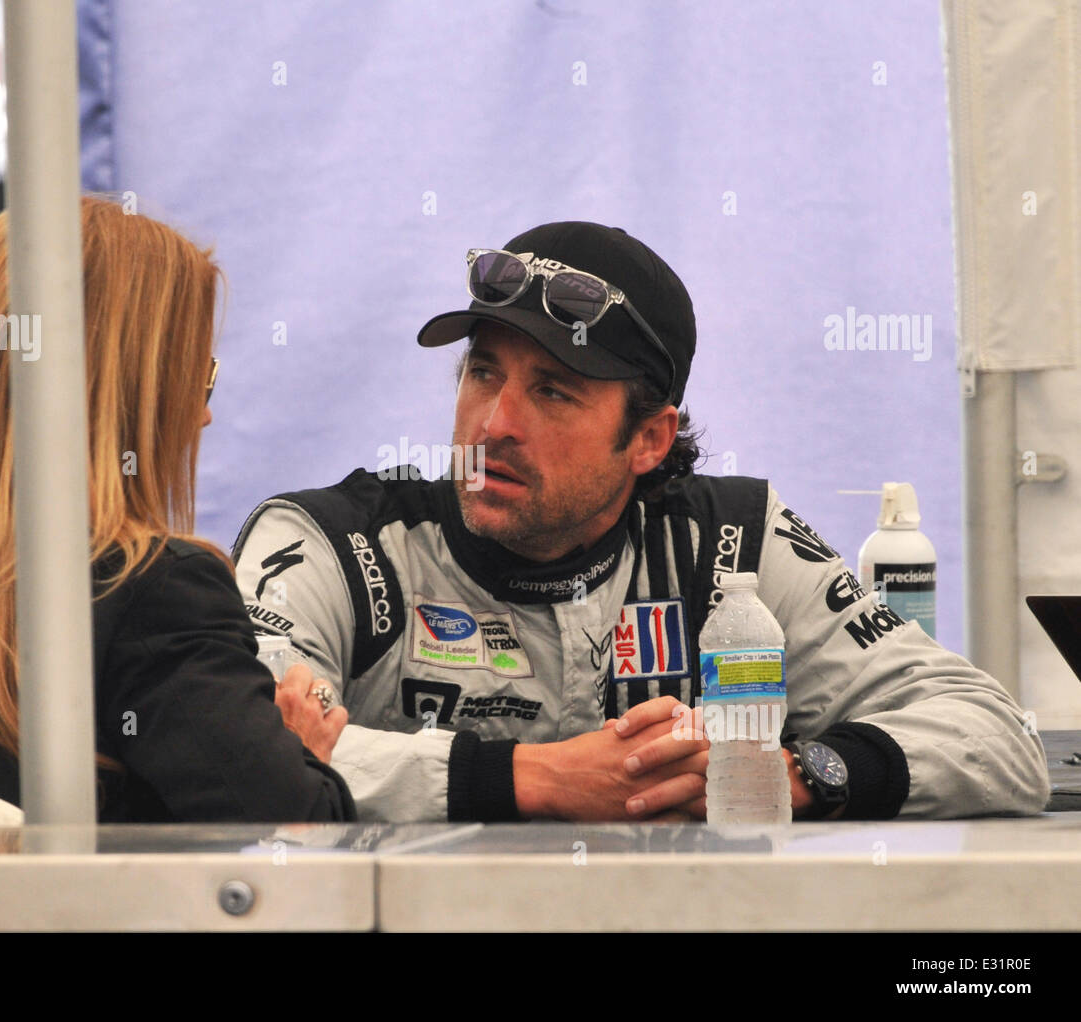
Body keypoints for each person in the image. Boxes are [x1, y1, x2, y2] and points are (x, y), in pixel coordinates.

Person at [232, 220, 1050, 823]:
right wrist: (536, 778)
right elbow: (235, 744)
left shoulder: (735, 545)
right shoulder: (331, 545)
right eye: (483, 373)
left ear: (650, 438)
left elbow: (999, 739)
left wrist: (785, 774)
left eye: (552, 390)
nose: (494, 424)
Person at [0, 196, 354, 823]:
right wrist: (300, 757)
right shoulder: (157, 590)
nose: (203, 413)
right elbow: (293, 839)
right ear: (130, 393)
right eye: (197, 377)